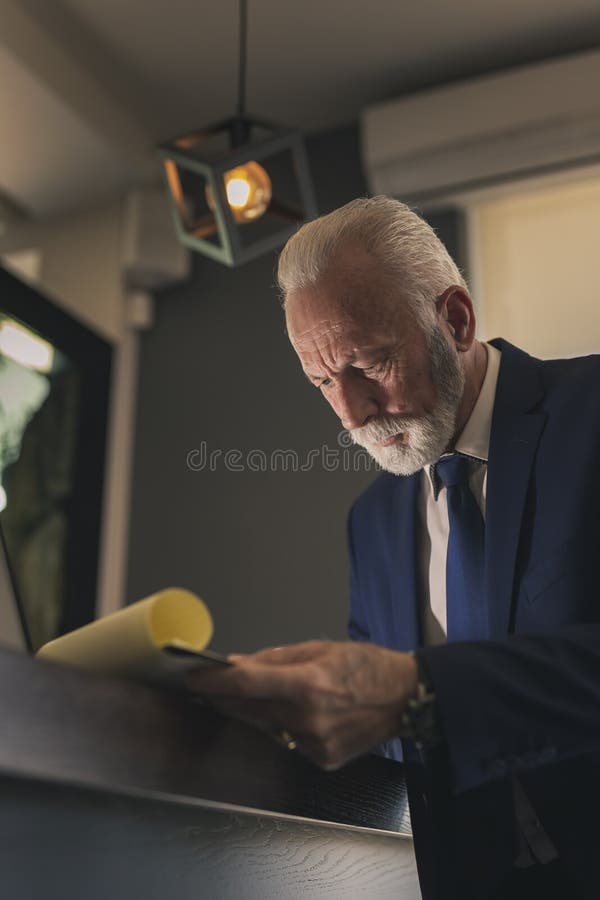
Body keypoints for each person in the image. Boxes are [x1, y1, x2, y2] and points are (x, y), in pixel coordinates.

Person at [188, 196, 600, 900]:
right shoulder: (371, 522)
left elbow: (418, 697)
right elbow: (389, 741)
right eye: (322, 381)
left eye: (369, 364)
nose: (349, 415)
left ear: (457, 319)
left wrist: (418, 690)